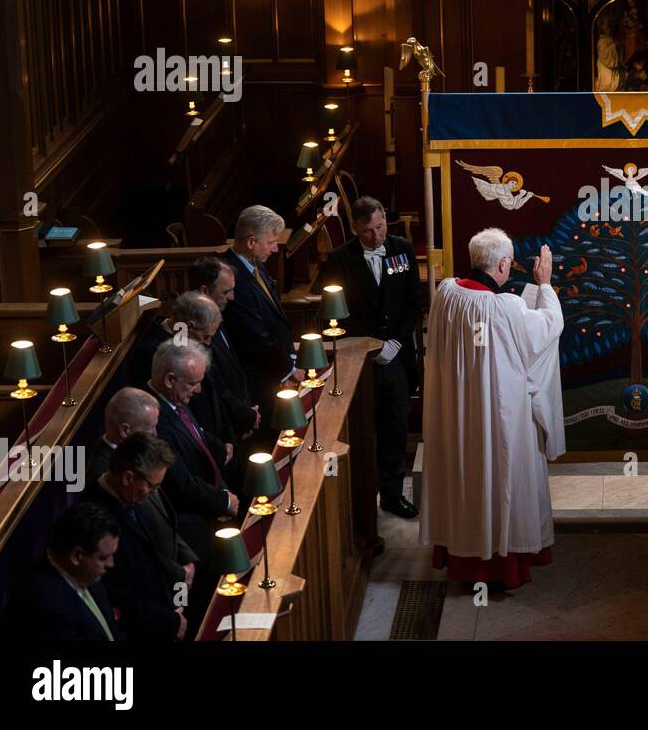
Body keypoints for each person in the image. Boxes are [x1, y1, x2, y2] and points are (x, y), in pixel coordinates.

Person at [419, 228, 564, 589]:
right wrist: (544, 285)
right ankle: (500, 562)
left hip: (458, 414)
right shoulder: (505, 307)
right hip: (497, 419)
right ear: (502, 264)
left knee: (465, 480)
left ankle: (463, 554)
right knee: (500, 480)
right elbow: (547, 327)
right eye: (509, 263)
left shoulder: (446, 293)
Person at [323, 196, 422, 519]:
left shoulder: (401, 248)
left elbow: (412, 302)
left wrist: (396, 341)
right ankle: (362, 501)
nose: (376, 236)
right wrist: (366, 345)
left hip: (395, 354)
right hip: (358, 358)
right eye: (367, 231)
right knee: (363, 430)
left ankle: (392, 495)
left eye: (380, 227)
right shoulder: (339, 258)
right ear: (355, 228)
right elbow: (332, 310)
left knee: (395, 427)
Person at [81, 434, 191, 641]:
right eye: (151, 486)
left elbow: (154, 555)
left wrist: (177, 599)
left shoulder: (130, 497)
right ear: (128, 477)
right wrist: (168, 620)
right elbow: (114, 594)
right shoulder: (95, 517)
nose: (154, 493)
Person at [148, 342, 239, 566]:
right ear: (170, 380)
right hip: (192, 528)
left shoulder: (175, 400)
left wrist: (221, 450)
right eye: (192, 383)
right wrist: (223, 500)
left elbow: (197, 435)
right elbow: (180, 481)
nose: (198, 390)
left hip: (210, 509)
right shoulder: (154, 421)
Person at [220, 205, 304, 413]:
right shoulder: (232, 278)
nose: (275, 248)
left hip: (275, 371)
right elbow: (256, 337)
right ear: (251, 242)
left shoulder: (254, 264)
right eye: (271, 242)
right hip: (261, 382)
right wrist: (288, 370)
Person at [0, 502, 122, 641]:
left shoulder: (86, 573)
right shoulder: (42, 605)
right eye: (104, 557)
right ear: (76, 556)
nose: (111, 564)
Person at [190, 256, 262, 447]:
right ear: (205, 291)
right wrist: (242, 420)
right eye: (226, 292)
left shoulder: (219, 315)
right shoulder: (192, 331)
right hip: (226, 433)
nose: (232, 297)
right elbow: (215, 386)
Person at [91, 387, 160, 480]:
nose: (155, 433)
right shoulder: (106, 474)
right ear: (124, 430)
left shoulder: (136, 450)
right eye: (149, 427)